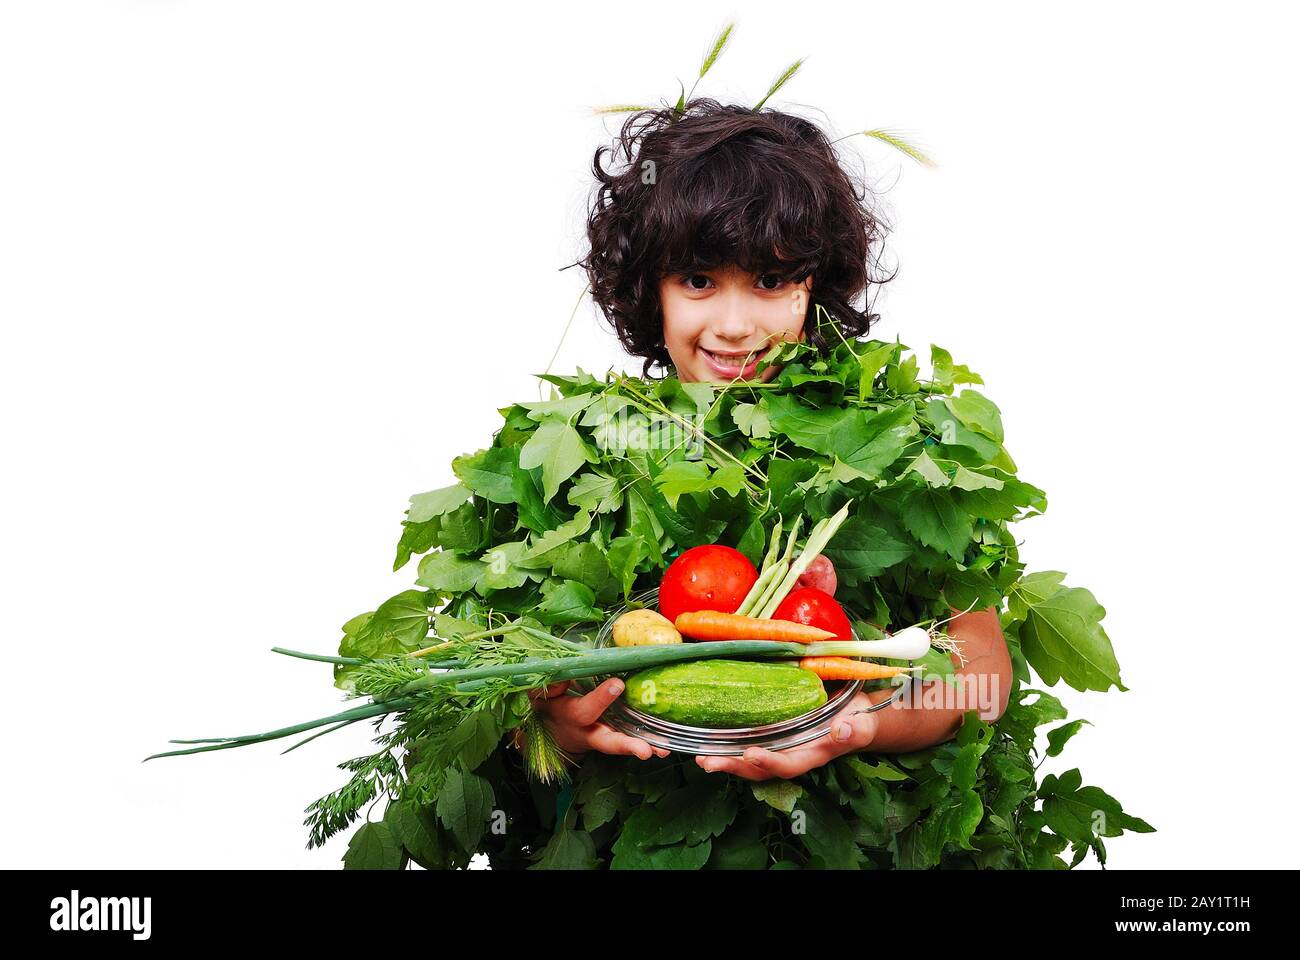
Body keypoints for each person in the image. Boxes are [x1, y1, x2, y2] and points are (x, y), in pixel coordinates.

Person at [526, 100, 1012, 782]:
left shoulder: (909, 445)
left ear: (816, 286)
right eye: (698, 281)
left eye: (771, 281)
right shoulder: (585, 444)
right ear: (650, 291)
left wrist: (868, 728)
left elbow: (983, 673)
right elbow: (493, 690)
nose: (733, 324)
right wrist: (553, 730)